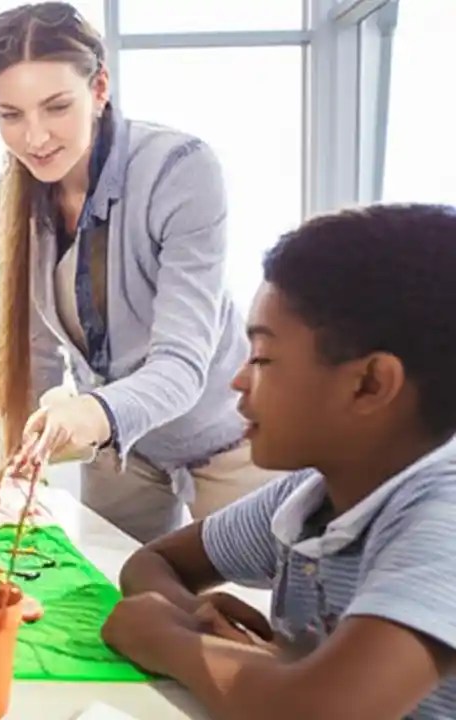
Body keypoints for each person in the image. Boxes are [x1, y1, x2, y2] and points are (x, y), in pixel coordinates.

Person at [102, 204, 456, 720]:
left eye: (263, 358)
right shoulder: (310, 496)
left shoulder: (443, 520)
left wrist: (165, 638)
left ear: (370, 384)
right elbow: (154, 563)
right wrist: (196, 619)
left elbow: (324, 712)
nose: (239, 380)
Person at [0, 3, 275, 542]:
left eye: (56, 106)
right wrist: (20, 471)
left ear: (99, 89)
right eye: (11, 115)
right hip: (120, 453)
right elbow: (35, 350)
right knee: (112, 605)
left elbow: (182, 362)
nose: (35, 137)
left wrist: (90, 413)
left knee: (254, 615)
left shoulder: (181, 169)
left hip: (228, 441)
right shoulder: (11, 198)